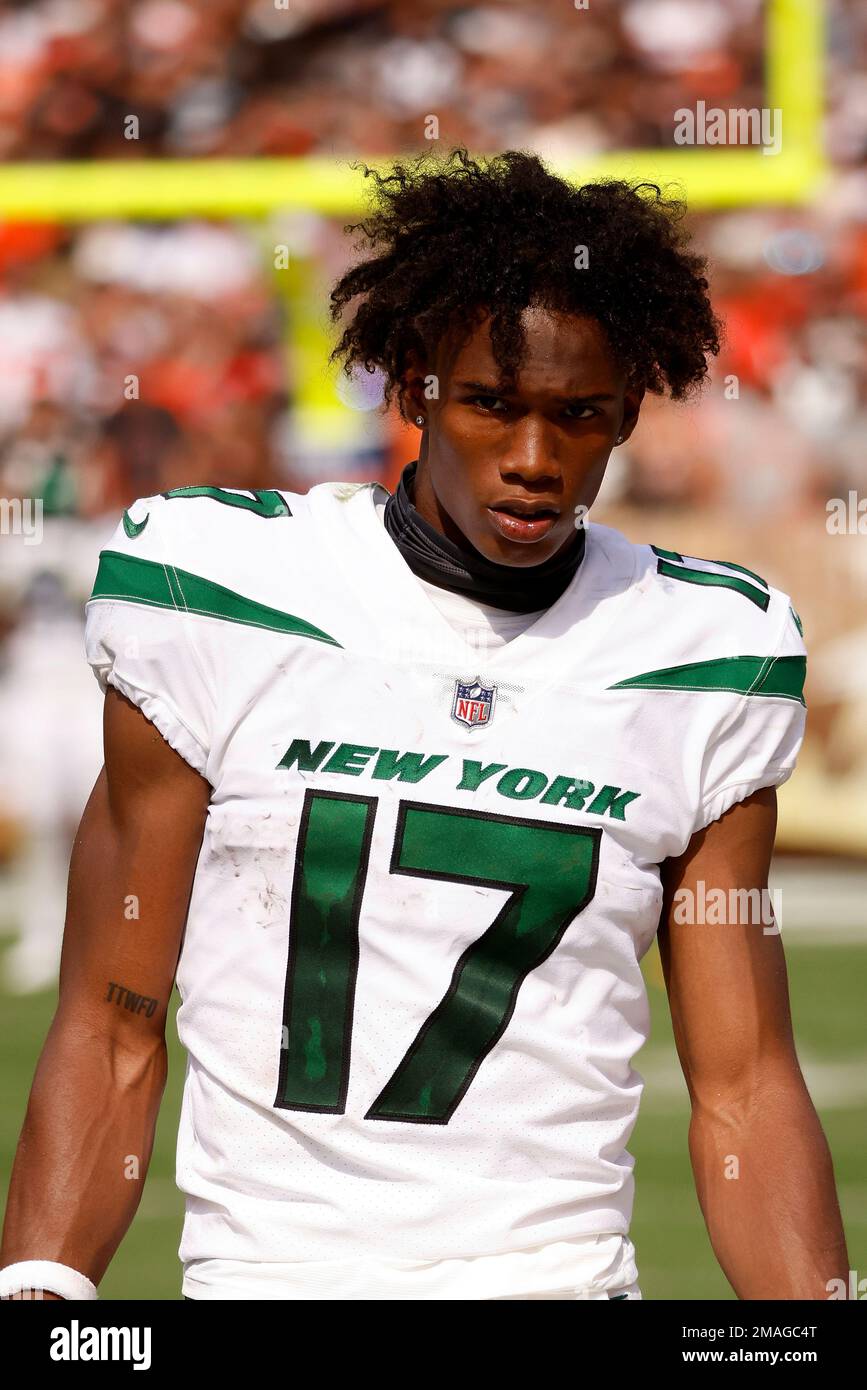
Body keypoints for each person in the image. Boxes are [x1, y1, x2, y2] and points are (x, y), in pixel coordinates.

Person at [0, 149, 849, 1302]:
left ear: (629, 413)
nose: (536, 460)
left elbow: (745, 1081)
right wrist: (42, 1290)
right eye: (494, 405)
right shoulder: (225, 590)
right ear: (415, 386)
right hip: (274, 1282)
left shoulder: (702, 653)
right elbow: (112, 1019)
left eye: (577, 416)